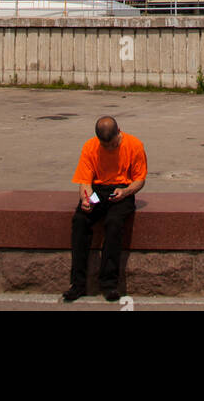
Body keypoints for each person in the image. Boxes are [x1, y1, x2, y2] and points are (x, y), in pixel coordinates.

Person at [62, 116, 147, 302]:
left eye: (112, 144)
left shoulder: (134, 145)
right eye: (104, 145)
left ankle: (109, 284)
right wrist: (86, 199)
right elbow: (85, 182)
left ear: (119, 132)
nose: (108, 148)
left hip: (122, 191)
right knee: (80, 221)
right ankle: (78, 284)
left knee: (114, 223)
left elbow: (139, 180)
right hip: (98, 191)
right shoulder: (90, 147)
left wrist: (125, 192)